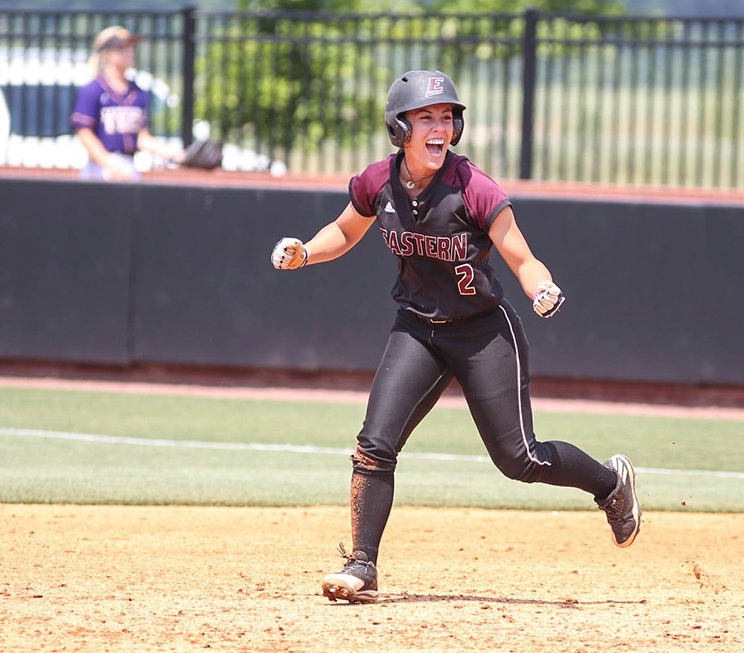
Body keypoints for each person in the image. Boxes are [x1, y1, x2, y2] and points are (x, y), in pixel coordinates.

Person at [270, 70, 641, 604]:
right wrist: (306, 250)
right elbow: (345, 231)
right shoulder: (379, 181)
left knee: (521, 461)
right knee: (374, 445)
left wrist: (543, 288)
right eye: (426, 117)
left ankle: (610, 485)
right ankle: (362, 566)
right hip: (418, 328)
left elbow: (521, 256)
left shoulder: (474, 187)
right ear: (400, 127)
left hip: (482, 331)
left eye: (447, 116)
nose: (440, 126)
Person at [70, 26, 183, 181]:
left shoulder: (137, 92)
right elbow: (84, 133)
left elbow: (142, 137)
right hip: (100, 169)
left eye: (130, 47)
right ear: (107, 53)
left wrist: (176, 154)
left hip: (128, 164)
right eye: (121, 48)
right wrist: (108, 163)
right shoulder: (93, 90)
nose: (129, 52)